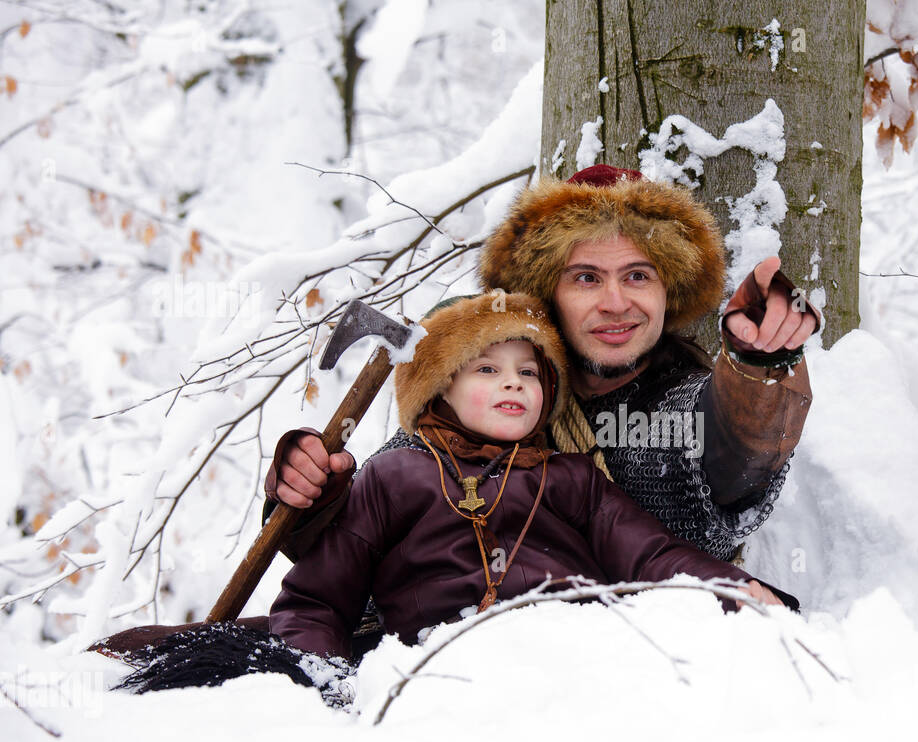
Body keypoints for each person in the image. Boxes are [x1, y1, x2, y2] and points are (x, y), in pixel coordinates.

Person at [268, 165, 818, 563]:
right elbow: (342, 548)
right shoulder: (480, 408)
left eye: (637, 275)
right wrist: (313, 493)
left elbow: (738, 441)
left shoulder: (682, 408)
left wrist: (759, 364)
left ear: (666, 291)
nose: (615, 302)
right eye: (586, 278)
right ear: (545, 296)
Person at [270, 292, 792, 661]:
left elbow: (651, 555)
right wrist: (331, 688)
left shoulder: (570, 477)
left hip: (573, 661)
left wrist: (734, 588)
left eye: (527, 371)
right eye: (487, 369)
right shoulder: (394, 475)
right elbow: (315, 602)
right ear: (439, 388)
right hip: (439, 672)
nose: (513, 384)